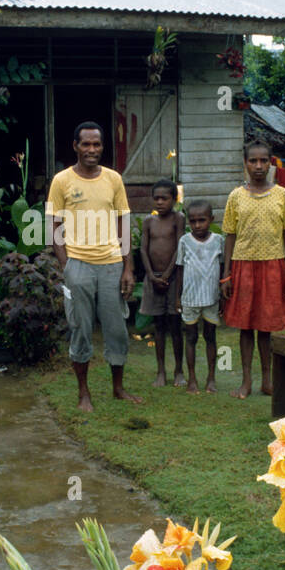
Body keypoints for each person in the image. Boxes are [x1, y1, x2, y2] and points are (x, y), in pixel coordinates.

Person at [48, 121, 142, 411]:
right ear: (75, 146)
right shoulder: (62, 181)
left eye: (97, 144)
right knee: (80, 328)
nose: (92, 149)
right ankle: (83, 393)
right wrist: (67, 266)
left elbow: (123, 222)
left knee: (116, 330)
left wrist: (128, 267)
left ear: (102, 147)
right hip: (78, 266)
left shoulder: (113, 179)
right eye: (86, 144)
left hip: (112, 265)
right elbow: (54, 225)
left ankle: (117, 388)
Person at [221, 139, 285, 398]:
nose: (258, 166)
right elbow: (230, 236)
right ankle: (246, 381)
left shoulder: (283, 195)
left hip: (273, 266)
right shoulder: (236, 196)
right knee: (246, 326)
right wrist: (226, 274)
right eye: (252, 161)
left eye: (263, 161)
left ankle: (267, 381)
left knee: (266, 327)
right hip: (243, 267)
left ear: (271, 163)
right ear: (244, 163)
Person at [174, 199, 224, 393]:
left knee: (210, 336)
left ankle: (211, 378)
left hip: (211, 297)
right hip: (189, 298)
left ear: (211, 219)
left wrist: (223, 295)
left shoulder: (218, 241)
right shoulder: (184, 241)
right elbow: (179, 269)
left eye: (201, 220)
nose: (197, 225)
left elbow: (221, 269)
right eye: (193, 221)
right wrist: (178, 296)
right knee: (191, 338)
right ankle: (192, 378)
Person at [140, 179, 185, 387]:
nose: (159, 202)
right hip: (153, 278)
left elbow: (179, 248)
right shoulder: (149, 221)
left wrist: (167, 275)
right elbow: (143, 249)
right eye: (156, 198)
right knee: (158, 326)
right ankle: (161, 371)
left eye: (164, 198)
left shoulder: (178, 218)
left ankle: (178, 371)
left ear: (174, 199)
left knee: (175, 326)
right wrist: (151, 275)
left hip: (173, 278)